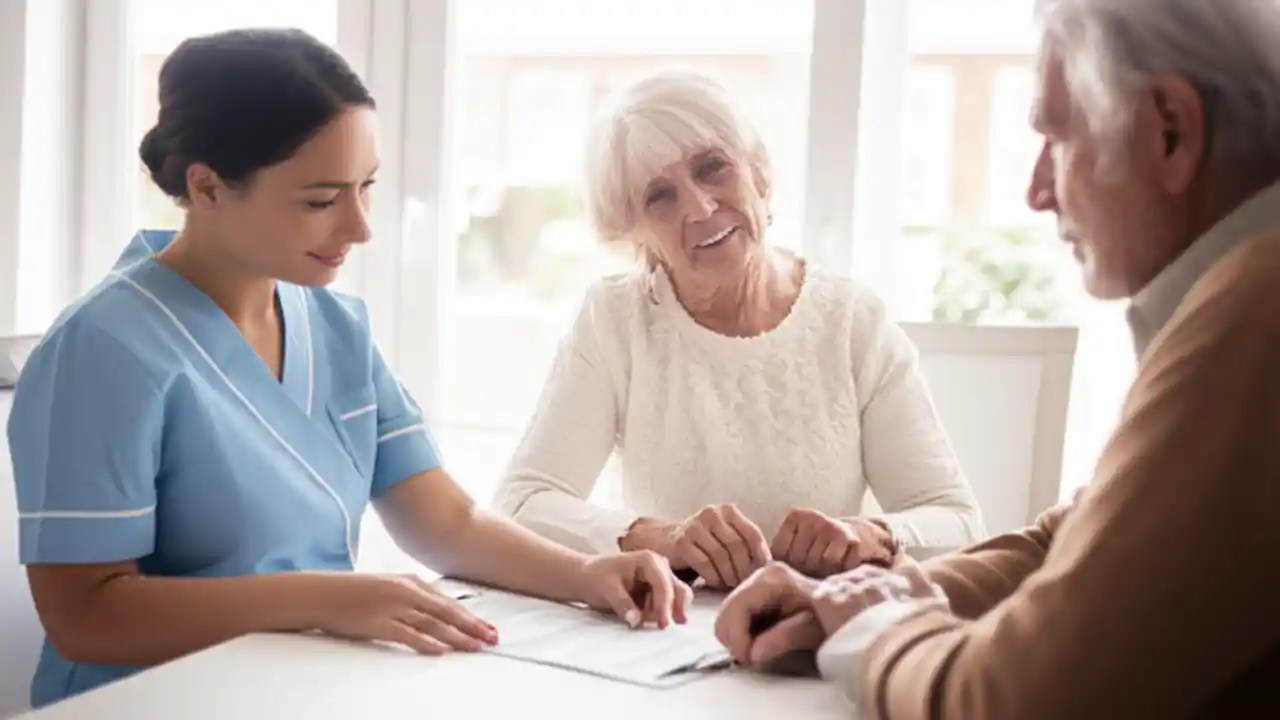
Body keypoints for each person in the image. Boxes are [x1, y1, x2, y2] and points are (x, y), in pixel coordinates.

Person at [7, 29, 689, 709]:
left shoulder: (338, 328)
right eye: (321, 200)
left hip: (300, 683)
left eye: (366, 187)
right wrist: (329, 598)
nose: (361, 227)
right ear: (207, 187)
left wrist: (587, 573)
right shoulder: (102, 350)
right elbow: (86, 615)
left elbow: (444, 521)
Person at [715, 0, 1280, 716]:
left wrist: (878, 628)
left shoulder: (1259, 309)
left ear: (1171, 130)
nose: (1038, 191)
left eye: (1059, 139)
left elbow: (1007, 702)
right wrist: (858, 597)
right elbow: (1080, 535)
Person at [493, 72, 984, 589]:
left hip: (812, 632)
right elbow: (521, 502)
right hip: (665, 632)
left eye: (713, 168)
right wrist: (661, 538)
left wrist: (873, 537)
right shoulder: (615, 319)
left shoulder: (853, 321)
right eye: (660, 196)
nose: (700, 208)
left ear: (760, 175)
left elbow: (957, 521)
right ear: (635, 231)